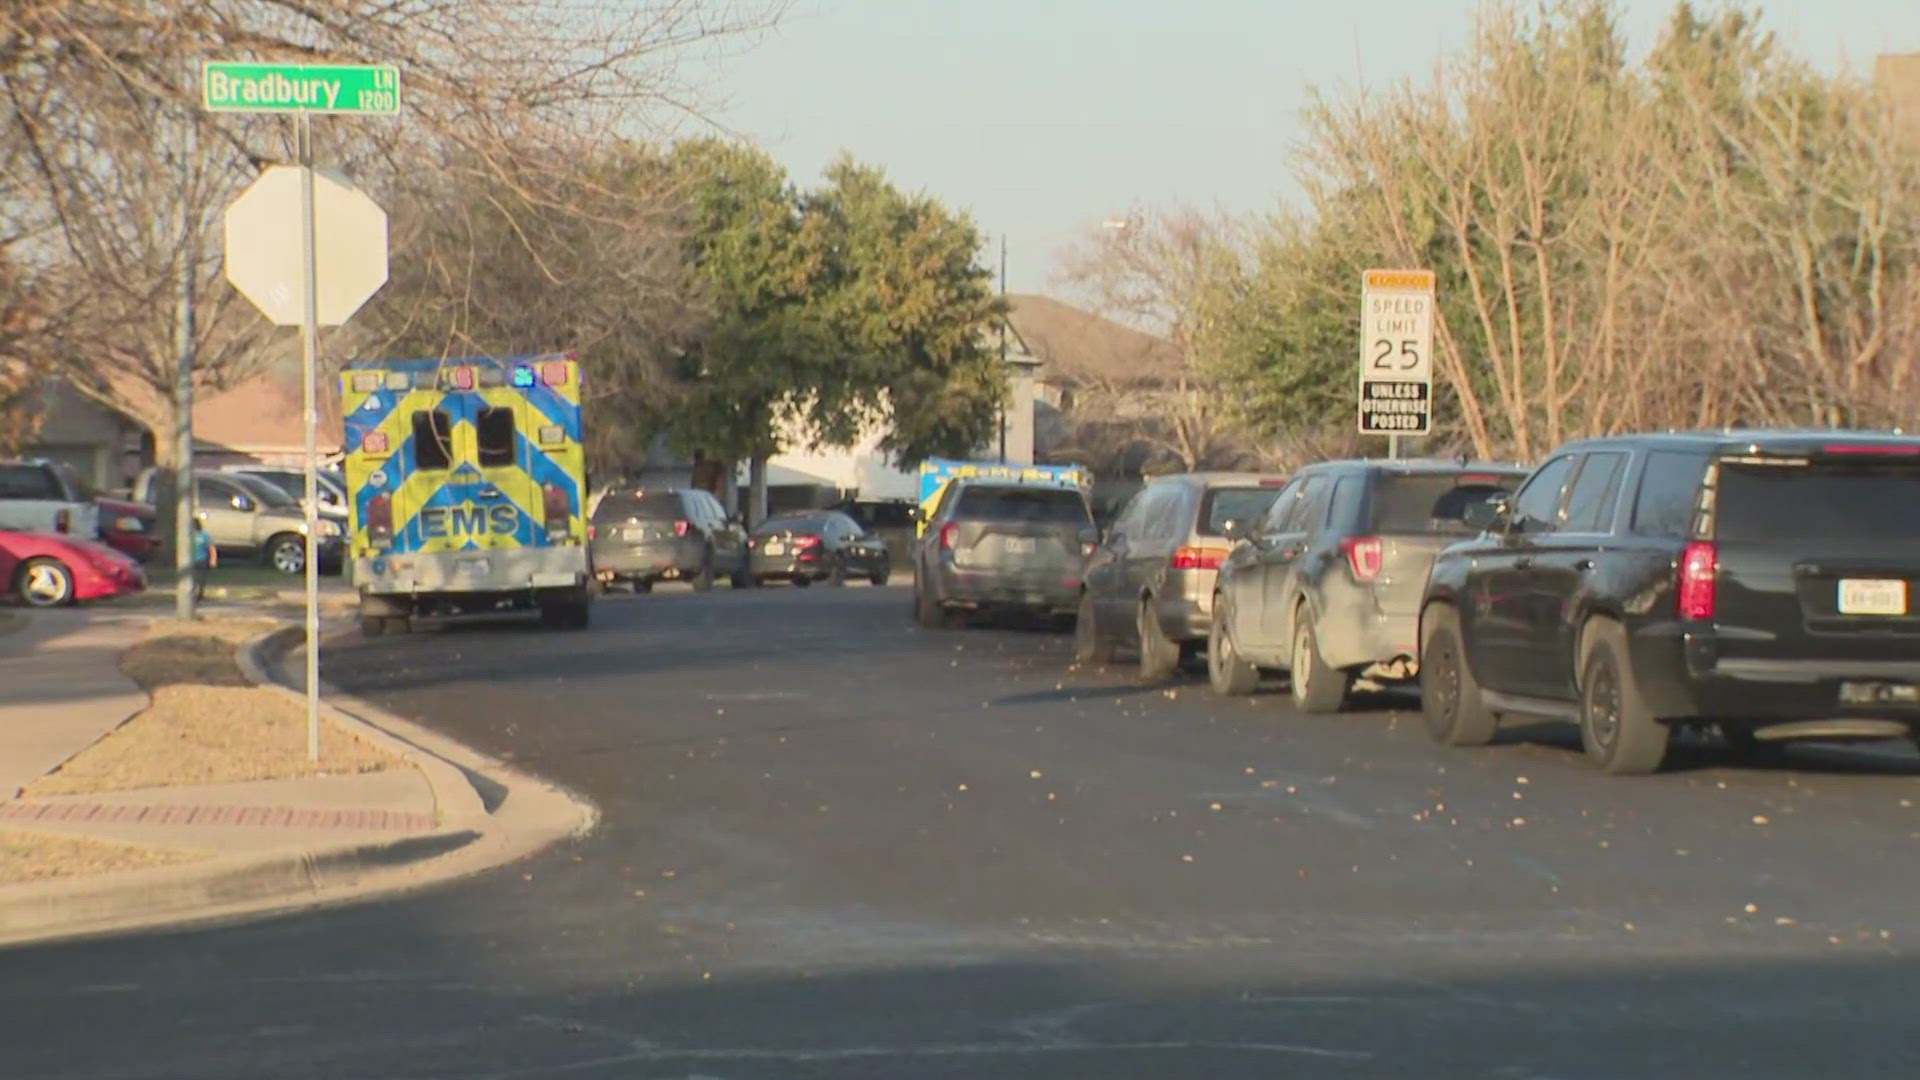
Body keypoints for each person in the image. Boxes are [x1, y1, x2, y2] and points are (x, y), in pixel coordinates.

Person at [190, 514, 216, 602]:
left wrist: (213, 560)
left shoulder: (204, 535)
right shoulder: (188, 535)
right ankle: (191, 594)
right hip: (191, 560)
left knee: (201, 578)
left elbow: (211, 547)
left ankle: (200, 593)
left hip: (202, 560)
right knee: (192, 578)